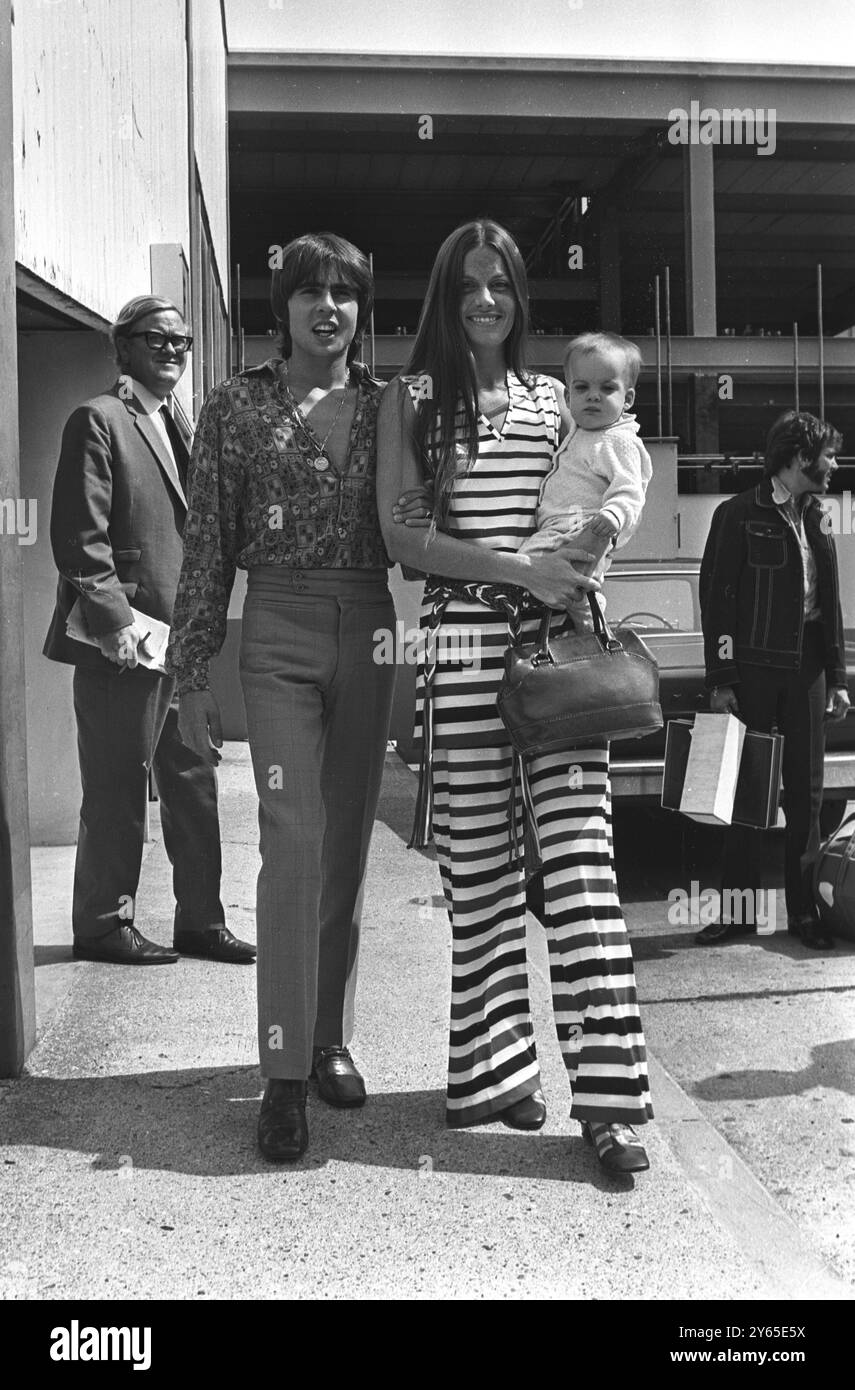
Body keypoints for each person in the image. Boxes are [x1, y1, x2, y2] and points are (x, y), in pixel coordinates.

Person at [377, 220, 653, 1175]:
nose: (486, 301)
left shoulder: (556, 395)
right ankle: (494, 1073)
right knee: (481, 877)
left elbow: (607, 486)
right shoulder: (408, 397)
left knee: (582, 868)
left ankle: (610, 1103)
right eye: (468, 285)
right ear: (444, 294)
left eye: (500, 285)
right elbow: (404, 540)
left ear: (520, 297)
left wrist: (583, 558)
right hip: (459, 644)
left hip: (555, 646)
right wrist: (519, 570)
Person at [166, 233, 430, 1163]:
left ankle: (328, 1039)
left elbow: (436, 518)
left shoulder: (395, 406)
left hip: (366, 626)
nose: (329, 306)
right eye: (309, 291)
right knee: (294, 840)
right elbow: (205, 547)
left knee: (348, 844)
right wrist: (188, 670)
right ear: (278, 307)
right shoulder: (233, 406)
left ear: (364, 309)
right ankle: (281, 1074)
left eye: (346, 293)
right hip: (272, 626)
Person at [43, 296, 252, 967]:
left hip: (180, 643)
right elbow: (80, 539)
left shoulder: (177, 420)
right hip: (124, 644)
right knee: (116, 786)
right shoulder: (98, 419)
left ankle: (201, 921)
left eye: (181, 340)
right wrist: (113, 626)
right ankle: (104, 925)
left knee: (193, 782)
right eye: (154, 337)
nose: (171, 348)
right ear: (121, 346)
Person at [698, 409, 849, 951]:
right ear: (798, 457)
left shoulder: (819, 515)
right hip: (753, 672)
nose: (834, 464)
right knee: (745, 793)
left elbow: (827, 601)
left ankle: (803, 915)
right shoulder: (738, 512)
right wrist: (722, 676)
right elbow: (716, 600)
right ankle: (737, 915)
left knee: (806, 798)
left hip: (807, 670)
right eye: (827, 455)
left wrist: (837, 677)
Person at [518, 331, 652, 627]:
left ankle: (594, 633)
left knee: (536, 571)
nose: (593, 395)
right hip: (561, 529)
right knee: (548, 581)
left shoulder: (618, 440)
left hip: (582, 529)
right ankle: (584, 630)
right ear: (567, 397)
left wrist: (614, 515)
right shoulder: (584, 433)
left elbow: (630, 491)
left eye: (607, 388)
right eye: (582, 387)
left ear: (627, 399)